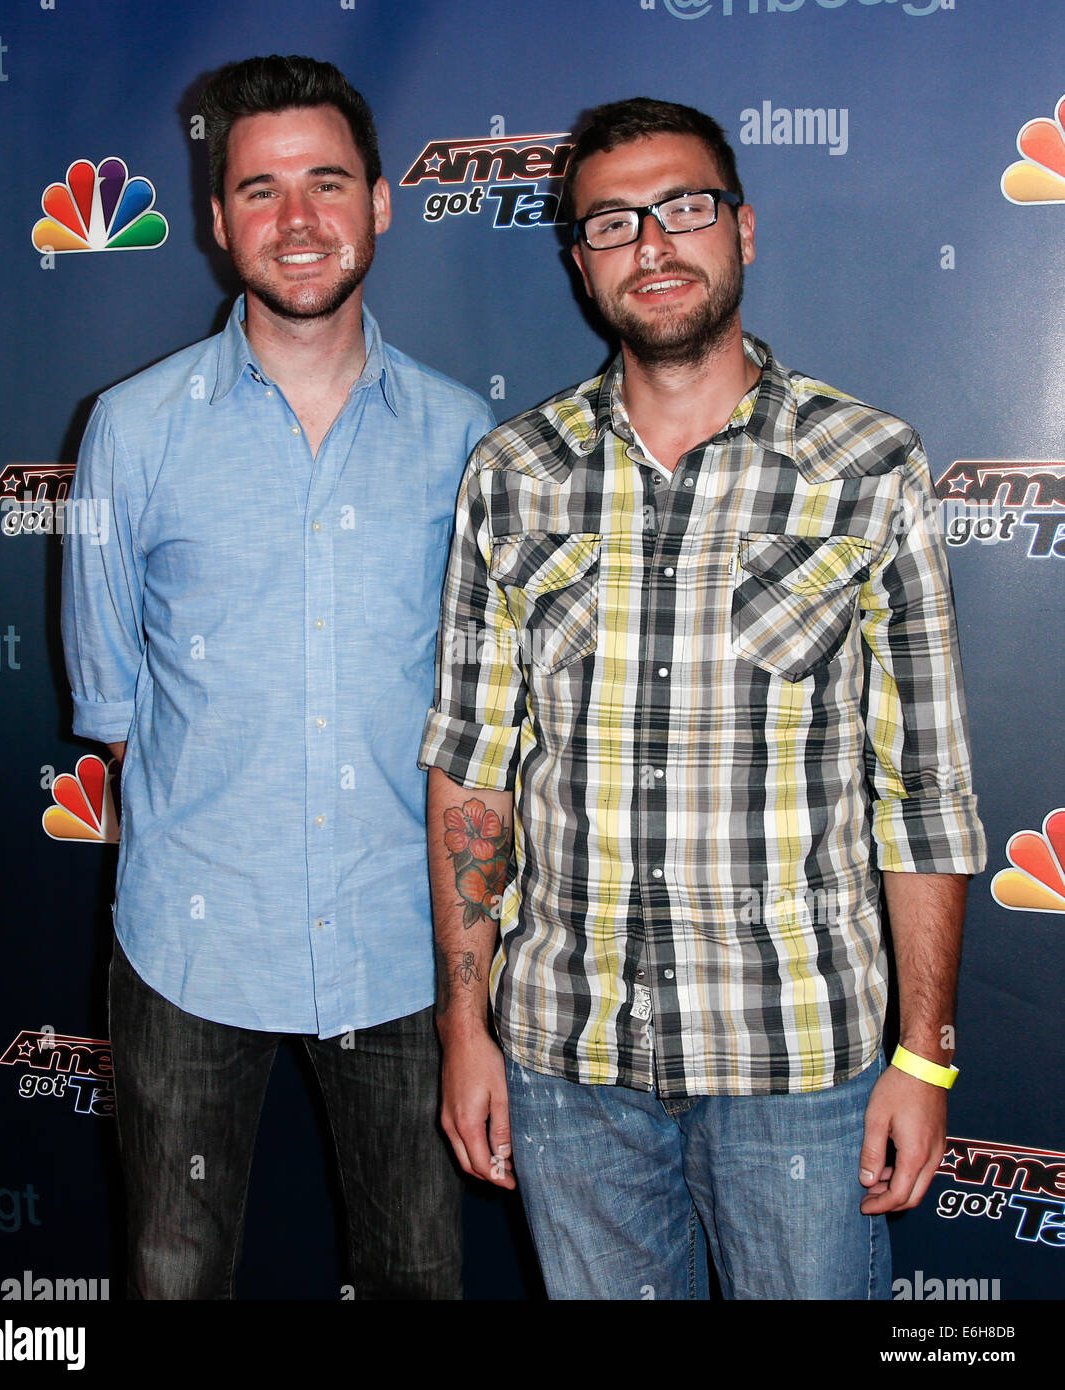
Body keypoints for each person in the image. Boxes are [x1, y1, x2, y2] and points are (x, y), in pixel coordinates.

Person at [421, 97, 987, 1300]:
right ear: (580, 262)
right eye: (614, 223)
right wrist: (465, 1029)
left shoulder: (869, 464)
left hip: (799, 1057)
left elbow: (925, 789)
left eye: (684, 208)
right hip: (566, 1058)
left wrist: (925, 1062)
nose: (654, 245)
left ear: (743, 227)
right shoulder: (513, 473)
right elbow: (474, 772)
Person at [61, 54, 493, 1299]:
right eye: (260, 189)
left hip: (406, 952)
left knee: (418, 1276)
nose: (297, 221)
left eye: (327, 182)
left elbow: (483, 714)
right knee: (174, 1277)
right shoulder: (131, 431)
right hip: (189, 953)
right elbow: (117, 706)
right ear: (216, 219)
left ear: (380, 201)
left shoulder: (466, 437)